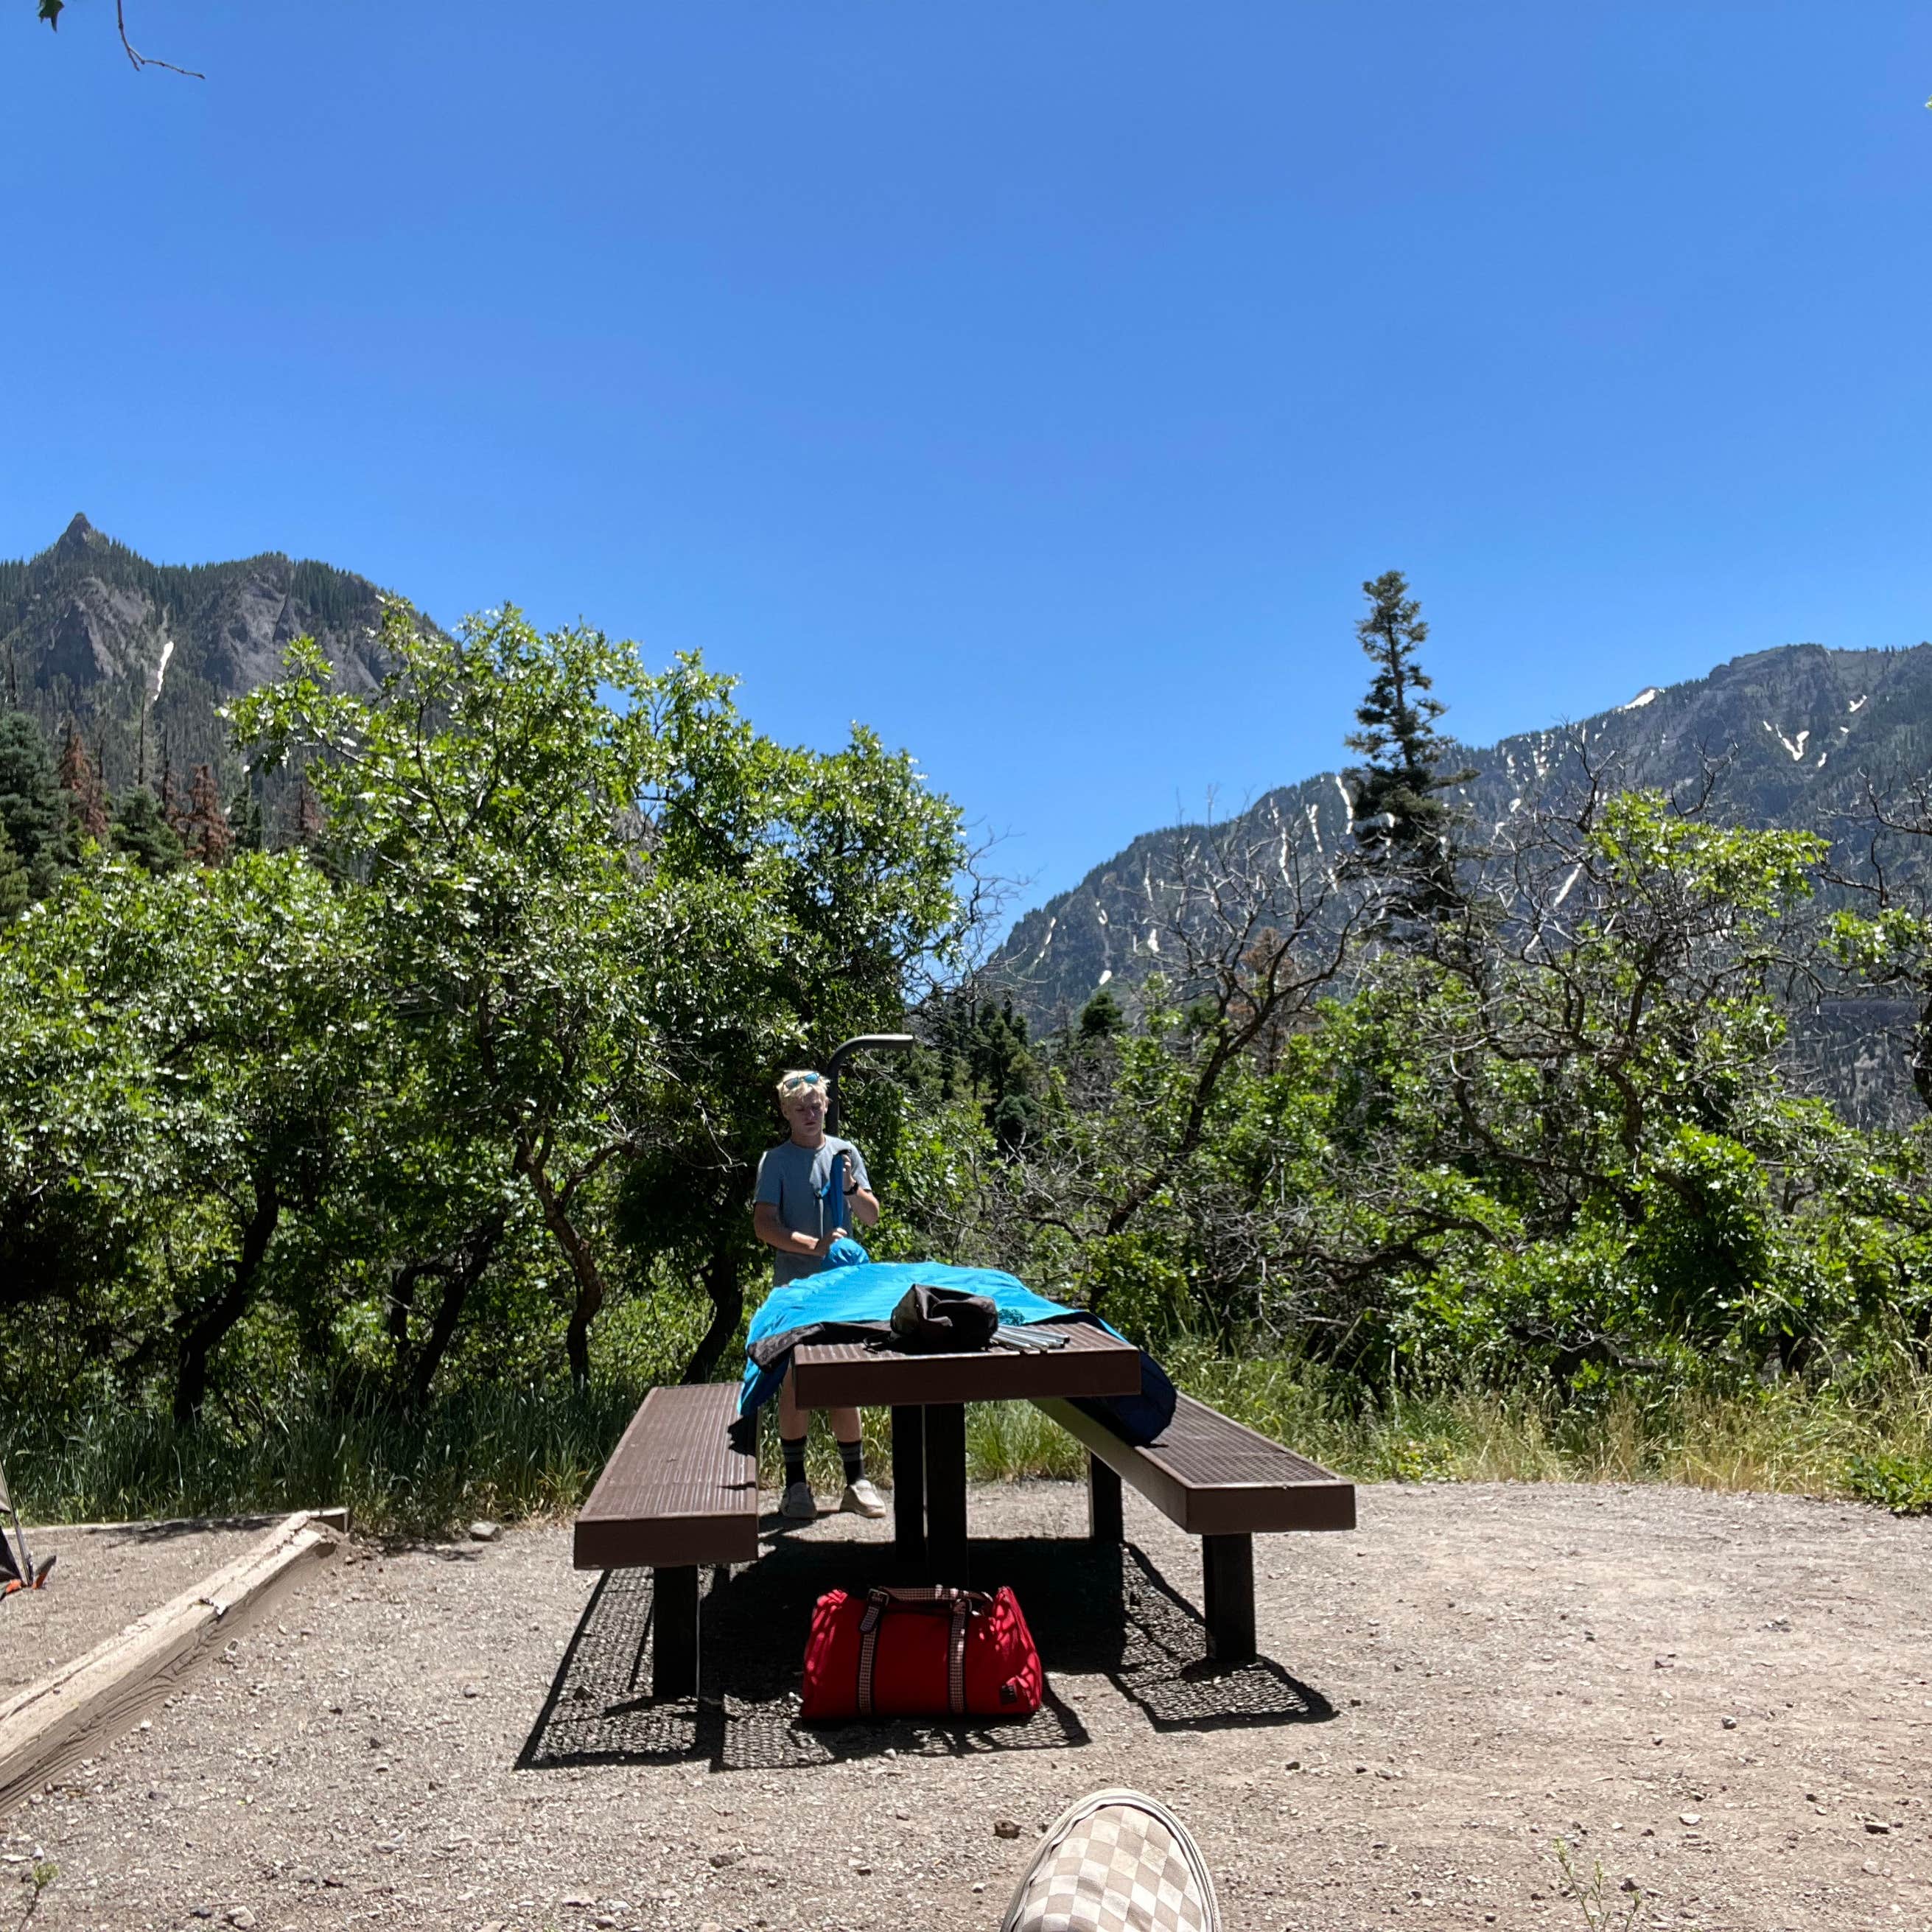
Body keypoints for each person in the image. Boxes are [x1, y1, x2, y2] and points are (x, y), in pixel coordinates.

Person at [751, 1068, 888, 1521]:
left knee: (841, 1377)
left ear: (826, 1106)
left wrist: (850, 1187)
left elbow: (871, 1216)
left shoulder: (846, 1153)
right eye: (800, 1109)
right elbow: (764, 1225)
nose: (809, 1115)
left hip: (844, 1291)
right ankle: (795, 1486)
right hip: (796, 1291)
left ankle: (857, 1483)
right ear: (786, 1112)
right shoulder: (776, 1161)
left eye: (815, 1106)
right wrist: (815, 1247)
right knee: (797, 1381)